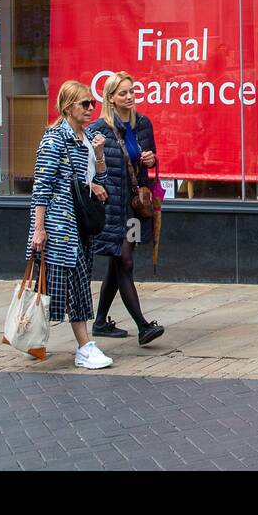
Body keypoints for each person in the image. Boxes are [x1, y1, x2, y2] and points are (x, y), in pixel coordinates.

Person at [28, 79, 114, 370]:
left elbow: (99, 184)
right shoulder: (54, 140)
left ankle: (32, 338)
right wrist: (38, 229)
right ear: (67, 107)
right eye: (84, 104)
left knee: (54, 287)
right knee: (71, 285)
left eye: (92, 103)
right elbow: (42, 186)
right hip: (59, 224)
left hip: (82, 225)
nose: (91, 108)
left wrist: (100, 156)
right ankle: (84, 347)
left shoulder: (88, 138)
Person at [88, 71, 165, 346]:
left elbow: (152, 160)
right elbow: (92, 168)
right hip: (111, 207)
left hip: (134, 208)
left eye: (132, 91)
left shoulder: (143, 124)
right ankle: (143, 326)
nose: (130, 96)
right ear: (110, 97)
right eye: (123, 93)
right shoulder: (98, 129)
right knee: (125, 261)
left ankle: (99, 323)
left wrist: (151, 159)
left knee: (118, 261)